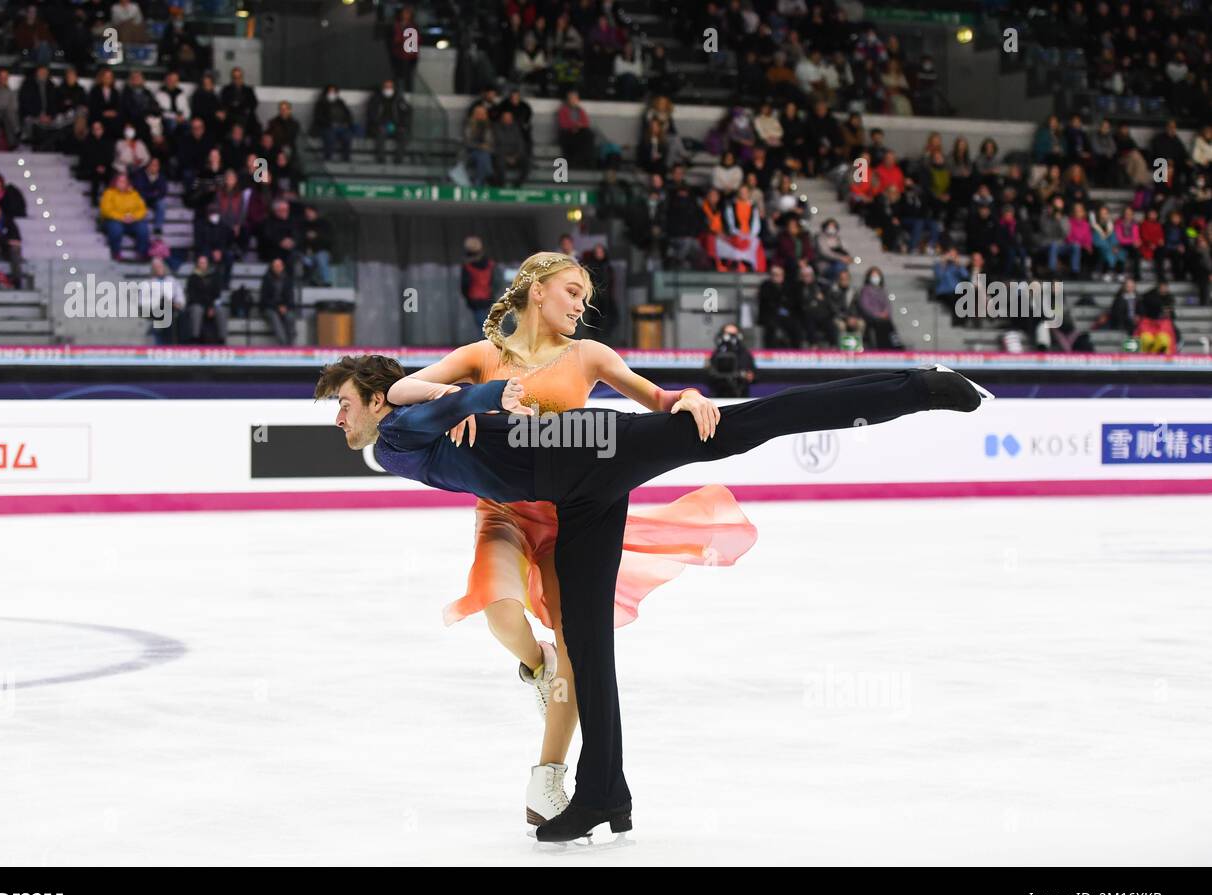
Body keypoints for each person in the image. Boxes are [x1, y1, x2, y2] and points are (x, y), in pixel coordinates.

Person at [318, 299, 991, 842]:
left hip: (593, 450)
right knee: (586, 644)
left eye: (344, 400)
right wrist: (474, 401)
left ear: (374, 398)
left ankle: (914, 386)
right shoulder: (398, 435)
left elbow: (425, 396)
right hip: (577, 497)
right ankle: (603, 793)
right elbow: (436, 398)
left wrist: (481, 398)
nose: (338, 415)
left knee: (738, 427)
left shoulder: (399, 425)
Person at [379, 252, 760, 830]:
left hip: (567, 519)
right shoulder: (486, 357)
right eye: (572, 291)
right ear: (536, 291)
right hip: (503, 513)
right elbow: (406, 388)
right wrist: (451, 400)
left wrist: (687, 398)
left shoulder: (589, 356)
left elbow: (653, 400)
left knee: (576, 643)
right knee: (501, 614)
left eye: (585, 296)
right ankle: (536, 668)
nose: (583, 304)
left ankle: (548, 775)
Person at [704, 323, 756, 397]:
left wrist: (750, 376)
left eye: (734, 334)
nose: (731, 337)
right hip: (719, 394)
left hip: (739, 393)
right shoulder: (717, 353)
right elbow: (709, 377)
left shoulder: (744, 354)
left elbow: (754, 375)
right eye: (728, 334)